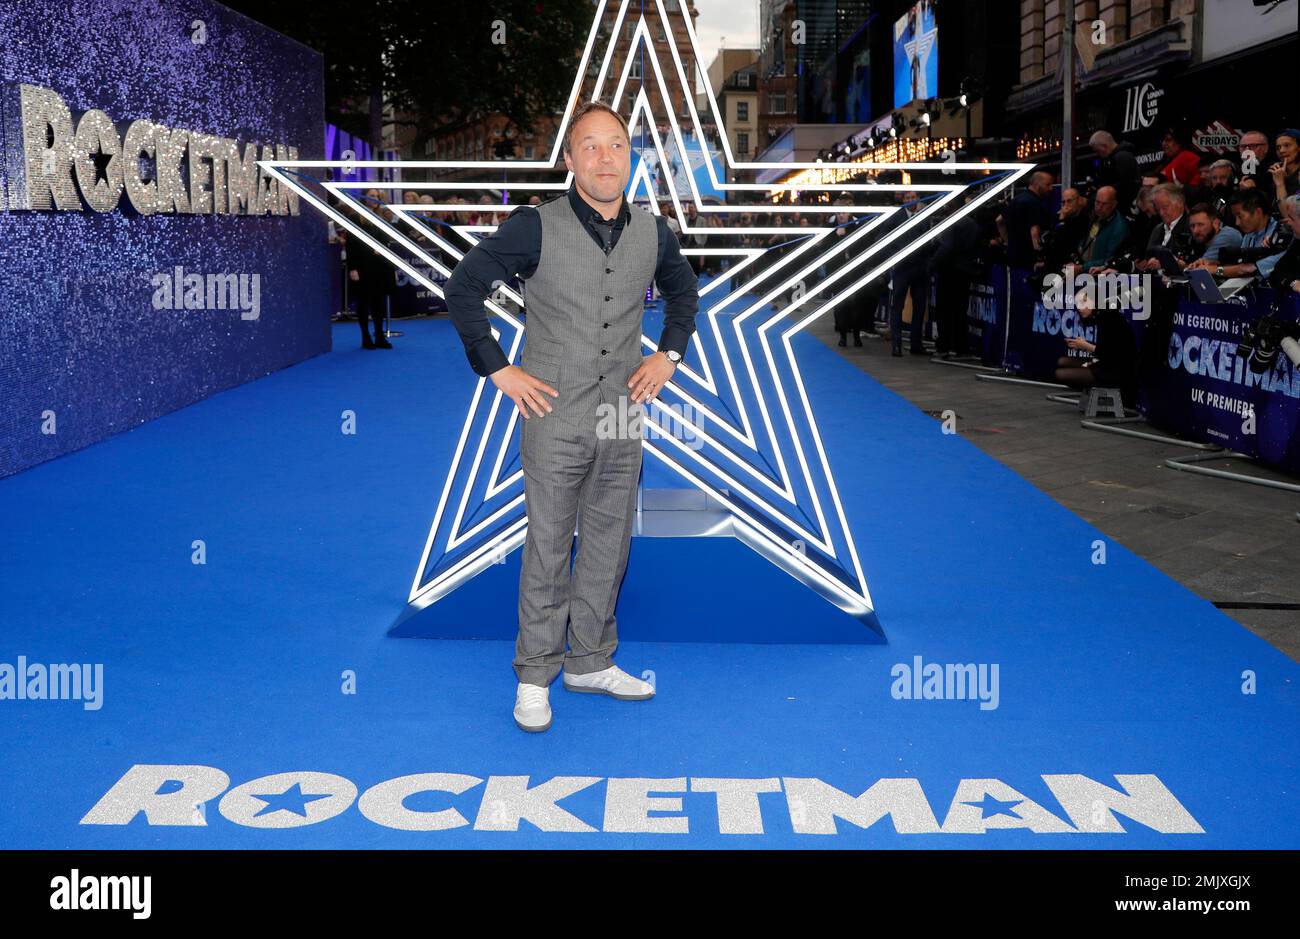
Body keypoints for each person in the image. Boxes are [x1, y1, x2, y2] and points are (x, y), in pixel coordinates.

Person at [443, 100, 699, 733]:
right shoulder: (534, 226)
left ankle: (590, 661)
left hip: (623, 413)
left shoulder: (654, 230)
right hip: (553, 410)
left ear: (631, 158)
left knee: (609, 544)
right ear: (570, 159)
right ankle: (535, 675)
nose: (605, 157)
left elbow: (684, 294)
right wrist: (498, 368)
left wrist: (668, 354)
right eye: (591, 146)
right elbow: (462, 287)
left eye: (616, 145)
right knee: (550, 545)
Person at [1053, 289, 1139, 409]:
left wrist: (1085, 346)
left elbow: (1111, 354)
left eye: (1084, 302)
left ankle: (1108, 397)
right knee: (1061, 361)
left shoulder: (1108, 317)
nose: (1079, 307)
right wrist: (1083, 347)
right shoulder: (1101, 316)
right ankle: (1094, 393)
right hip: (1107, 364)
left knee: (1060, 374)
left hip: (1118, 371)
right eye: (1078, 303)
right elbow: (1106, 352)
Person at [345, 189, 395, 349]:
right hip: (362, 266)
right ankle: (366, 337)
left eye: (377, 196)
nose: (375, 199)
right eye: (372, 196)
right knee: (364, 302)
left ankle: (380, 336)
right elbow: (351, 244)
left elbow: (386, 241)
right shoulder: (354, 218)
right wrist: (352, 268)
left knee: (378, 303)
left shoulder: (381, 218)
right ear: (364, 198)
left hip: (380, 267)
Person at [888, 190, 934, 356]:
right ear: (903, 200)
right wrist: (893, 257)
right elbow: (882, 238)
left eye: (913, 197)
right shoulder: (895, 217)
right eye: (907, 198)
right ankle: (896, 344)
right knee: (897, 307)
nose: (910, 200)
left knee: (920, 307)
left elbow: (929, 240)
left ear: (918, 199)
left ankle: (916, 344)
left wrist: (928, 262)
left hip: (920, 268)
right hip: (901, 268)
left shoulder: (924, 215)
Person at [1001, 169, 1054, 269]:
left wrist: (1008, 243)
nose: (1051, 188)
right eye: (1048, 185)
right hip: (1030, 261)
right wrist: (1040, 258)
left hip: (1013, 258)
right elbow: (1035, 233)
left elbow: (999, 220)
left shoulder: (1015, 200)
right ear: (1037, 184)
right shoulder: (1034, 203)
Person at [1088, 130, 1140, 214]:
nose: (1098, 154)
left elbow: (1127, 186)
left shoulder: (1122, 157)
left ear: (1104, 146)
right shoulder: (1108, 160)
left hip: (1124, 209)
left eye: (1098, 151)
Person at [1081, 186, 1128, 272]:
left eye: (1104, 204)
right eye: (1097, 202)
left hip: (1097, 273)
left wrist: (1082, 267)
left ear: (1114, 205)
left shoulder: (1119, 227)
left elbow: (1109, 259)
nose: (1099, 207)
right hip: (1083, 266)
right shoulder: (1096, 216)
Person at [1182, 203, 1243, 269]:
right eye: (1192, 226)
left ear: (1216, 223)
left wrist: (1182, 265)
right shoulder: (1201, 240)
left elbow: (1198, 270)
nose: (1195, 231)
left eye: (1200, 225)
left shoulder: (1228, 235)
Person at [1268, 129, 1300, 203]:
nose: (1281, 151)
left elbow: (1289, 212)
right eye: (1278, 147)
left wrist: (1280, 184)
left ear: (1299, 147)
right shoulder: (1273, 172)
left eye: (1287, 145)